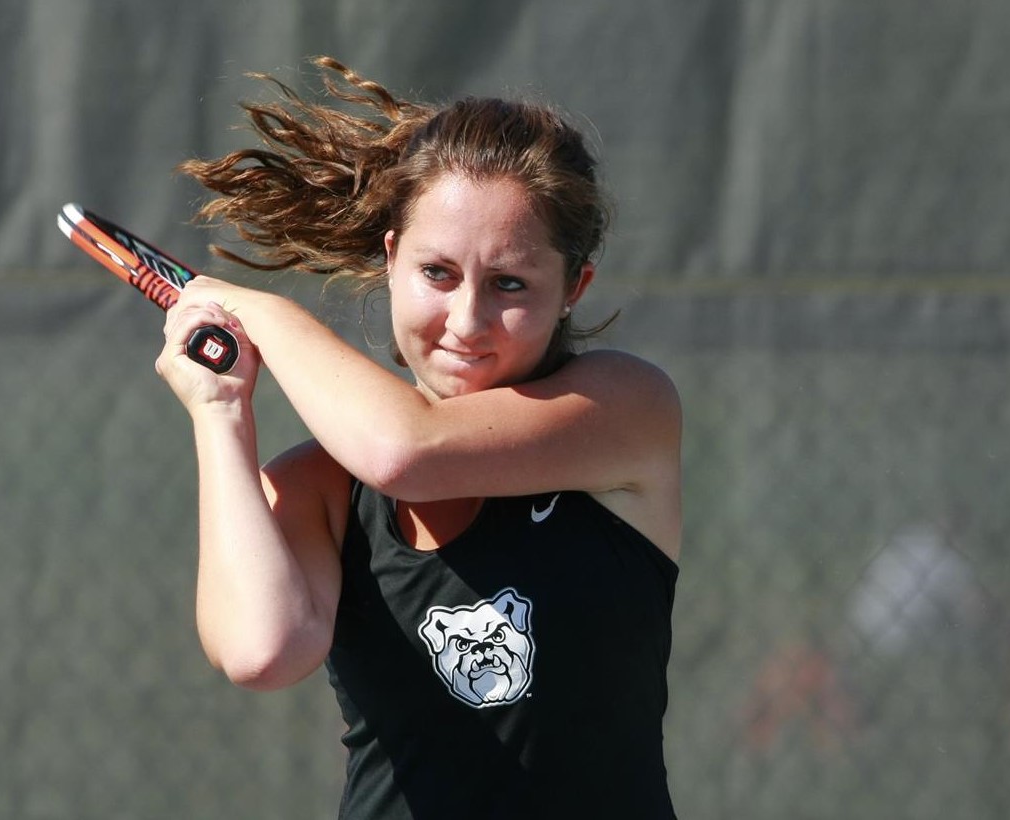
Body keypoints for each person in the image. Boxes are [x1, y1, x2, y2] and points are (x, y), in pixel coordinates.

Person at [155, 56, 683, 818]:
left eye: (510, 285)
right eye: (438, 273)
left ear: (574, 289)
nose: (466, 322)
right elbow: (262, 649)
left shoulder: (625, 410)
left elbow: (408, 451)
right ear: (392, 258)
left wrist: (264, 314)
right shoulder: (322, 485)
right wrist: (220, 412)